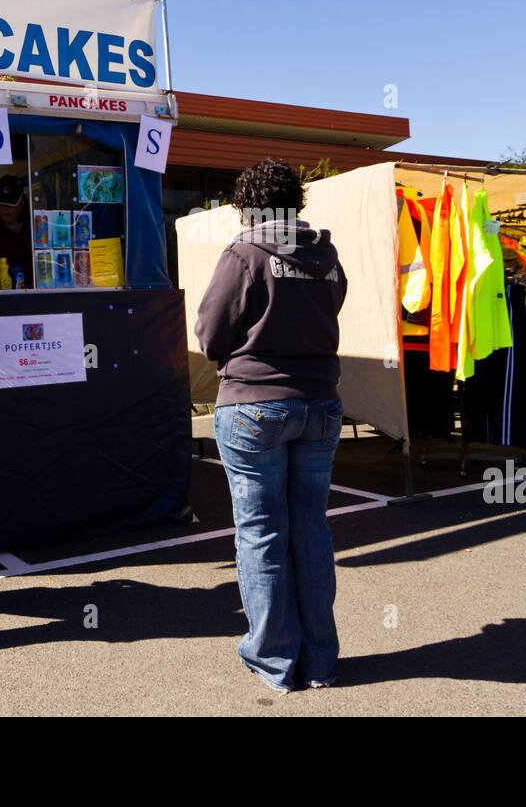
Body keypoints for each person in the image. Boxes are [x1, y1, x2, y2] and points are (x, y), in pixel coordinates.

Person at [194, 158, 348, 693]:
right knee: (311, 531)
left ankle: (275, 662)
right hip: (320, 405)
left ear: (247, 206)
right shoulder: (326, 255)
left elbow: (211, 334)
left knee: (261, 533)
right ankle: (320, 662)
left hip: (254, 405)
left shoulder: (244, 253)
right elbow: (334, 311)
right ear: (296, 202)